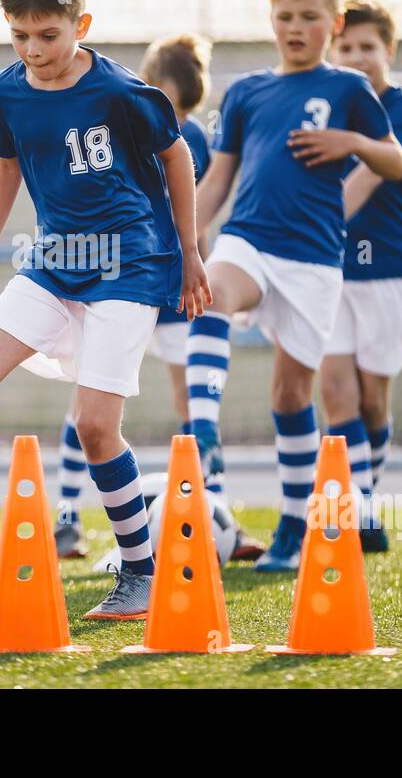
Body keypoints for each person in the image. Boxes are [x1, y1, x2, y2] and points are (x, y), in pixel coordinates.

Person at [0, 0, 210, 619]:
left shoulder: (121, 91)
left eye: (49, 35)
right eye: (19, 34)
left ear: (81, 25)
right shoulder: (1, 95)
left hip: (131, 264)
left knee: (96, 427)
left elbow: (176, 156)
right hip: (55, 262)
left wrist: (191, 251)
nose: (33, 49)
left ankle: (142, 573)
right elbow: (9, 167)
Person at [185, 0, 402, 572]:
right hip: (249, 237)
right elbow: (219, 178)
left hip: (313, 259)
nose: (295, 27)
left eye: (309, 16)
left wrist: (353, 143)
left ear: (332, 23)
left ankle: (292, 524)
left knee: (289, 397)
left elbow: (395, 162)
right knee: (217, 293)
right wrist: (189, 237)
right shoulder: (248, 92)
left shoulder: (349, 90)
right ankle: (203, 431)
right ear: (271, 19)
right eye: (285, 16)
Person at [53, 33, 264, 562]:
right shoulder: (118, 127)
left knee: (188, 398)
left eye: (175, 103)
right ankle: (67, 516)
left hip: (171, 289)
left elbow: (201, 212)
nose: (164, 110)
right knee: (94, 401)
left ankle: (213, 517)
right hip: (120, 286)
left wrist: (197, 258)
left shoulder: (190, 140)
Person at [321, 0, 402, 551]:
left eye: (368, 47)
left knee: (371, 399)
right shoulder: (323, 106)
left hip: (387, 270)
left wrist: (322, 219)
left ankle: (365, 493)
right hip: (331, 273)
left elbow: (370, 172)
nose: (357, 57)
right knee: (336, 391)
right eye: (347, 47)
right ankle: (358, 515)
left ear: (388, 51)